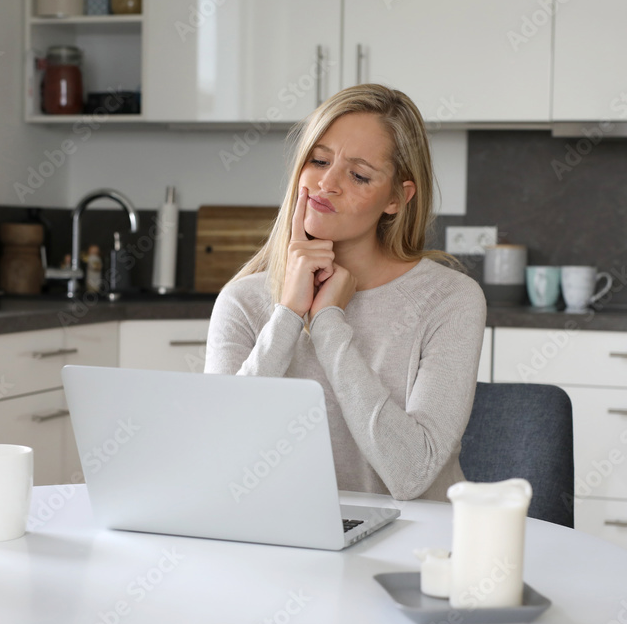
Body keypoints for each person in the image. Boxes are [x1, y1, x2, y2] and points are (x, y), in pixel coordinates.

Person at [204, 84, 486, 501]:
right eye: (318, 160)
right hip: (287, 537)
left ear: (396, 197)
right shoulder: (243, 301)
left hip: (417, 542)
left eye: (358, 175)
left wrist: (327, 323)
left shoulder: (450, 299)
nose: (327, 183)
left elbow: (411, 474)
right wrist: (286, 314)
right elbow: (217, 458)